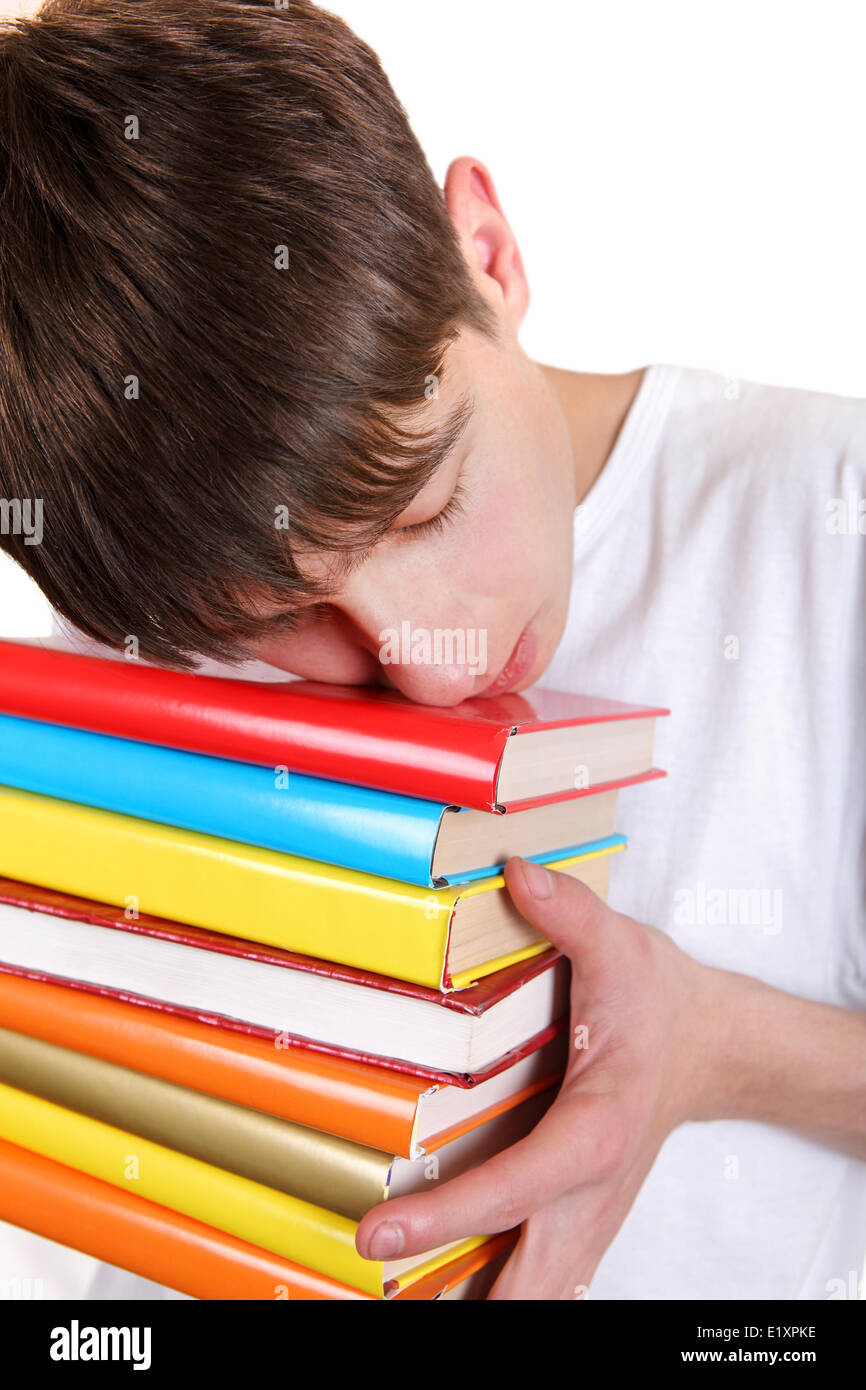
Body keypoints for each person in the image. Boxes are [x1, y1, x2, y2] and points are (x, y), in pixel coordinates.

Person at [0, 0, 864, 1302]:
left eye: (426, 503)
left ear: (489, 251)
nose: (429, 667)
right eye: (275, 624)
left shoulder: (825, 521)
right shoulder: (136, 650)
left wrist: (721, 1047)